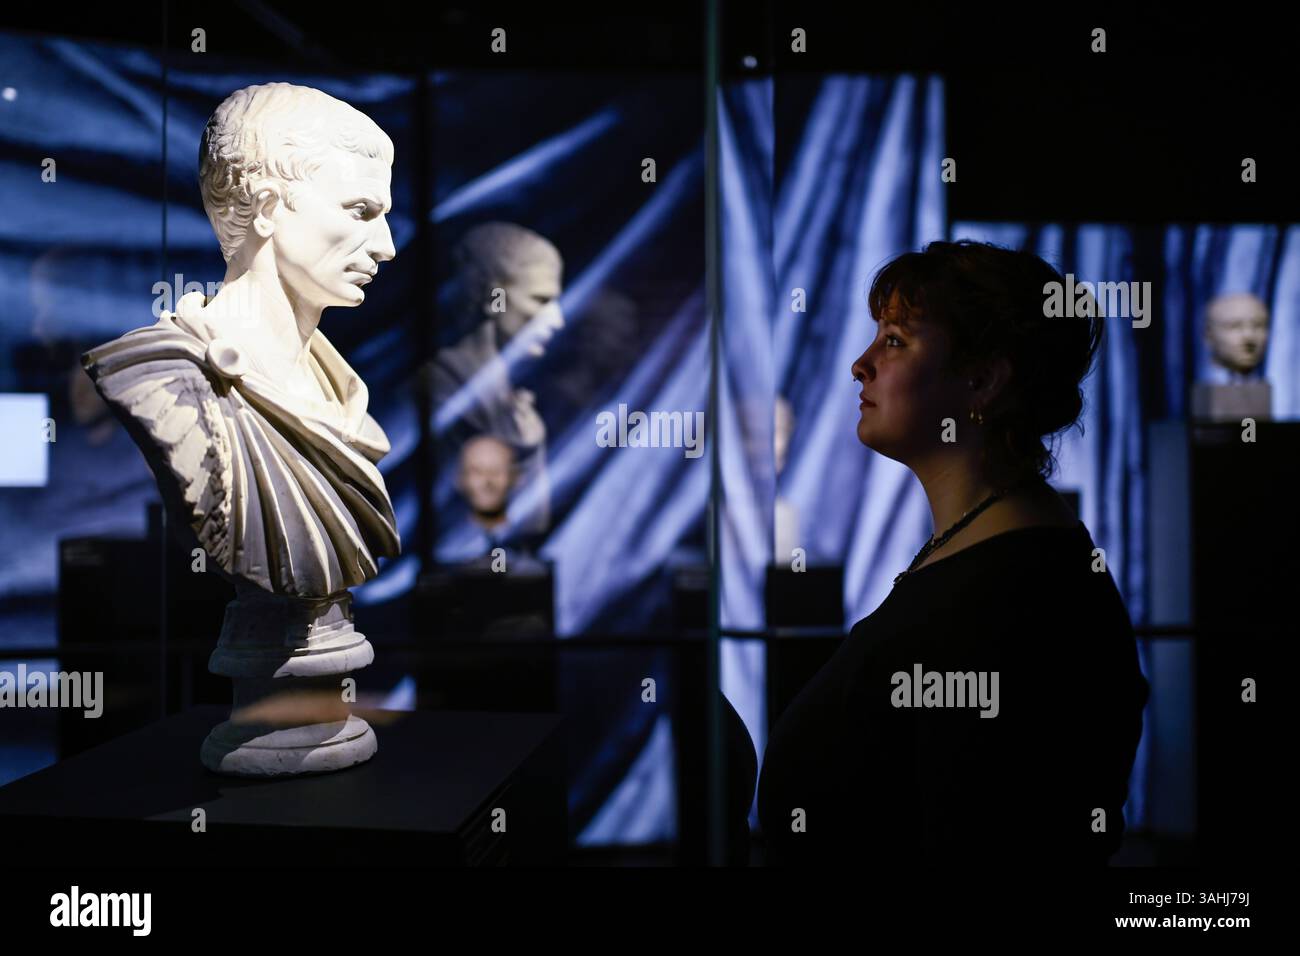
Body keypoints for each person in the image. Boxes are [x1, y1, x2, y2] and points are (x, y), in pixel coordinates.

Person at [757, 239, 1149, 865]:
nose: (860, 364)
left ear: (984, 380)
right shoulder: (989, 553)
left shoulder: (1008, 596)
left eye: (894, 341)